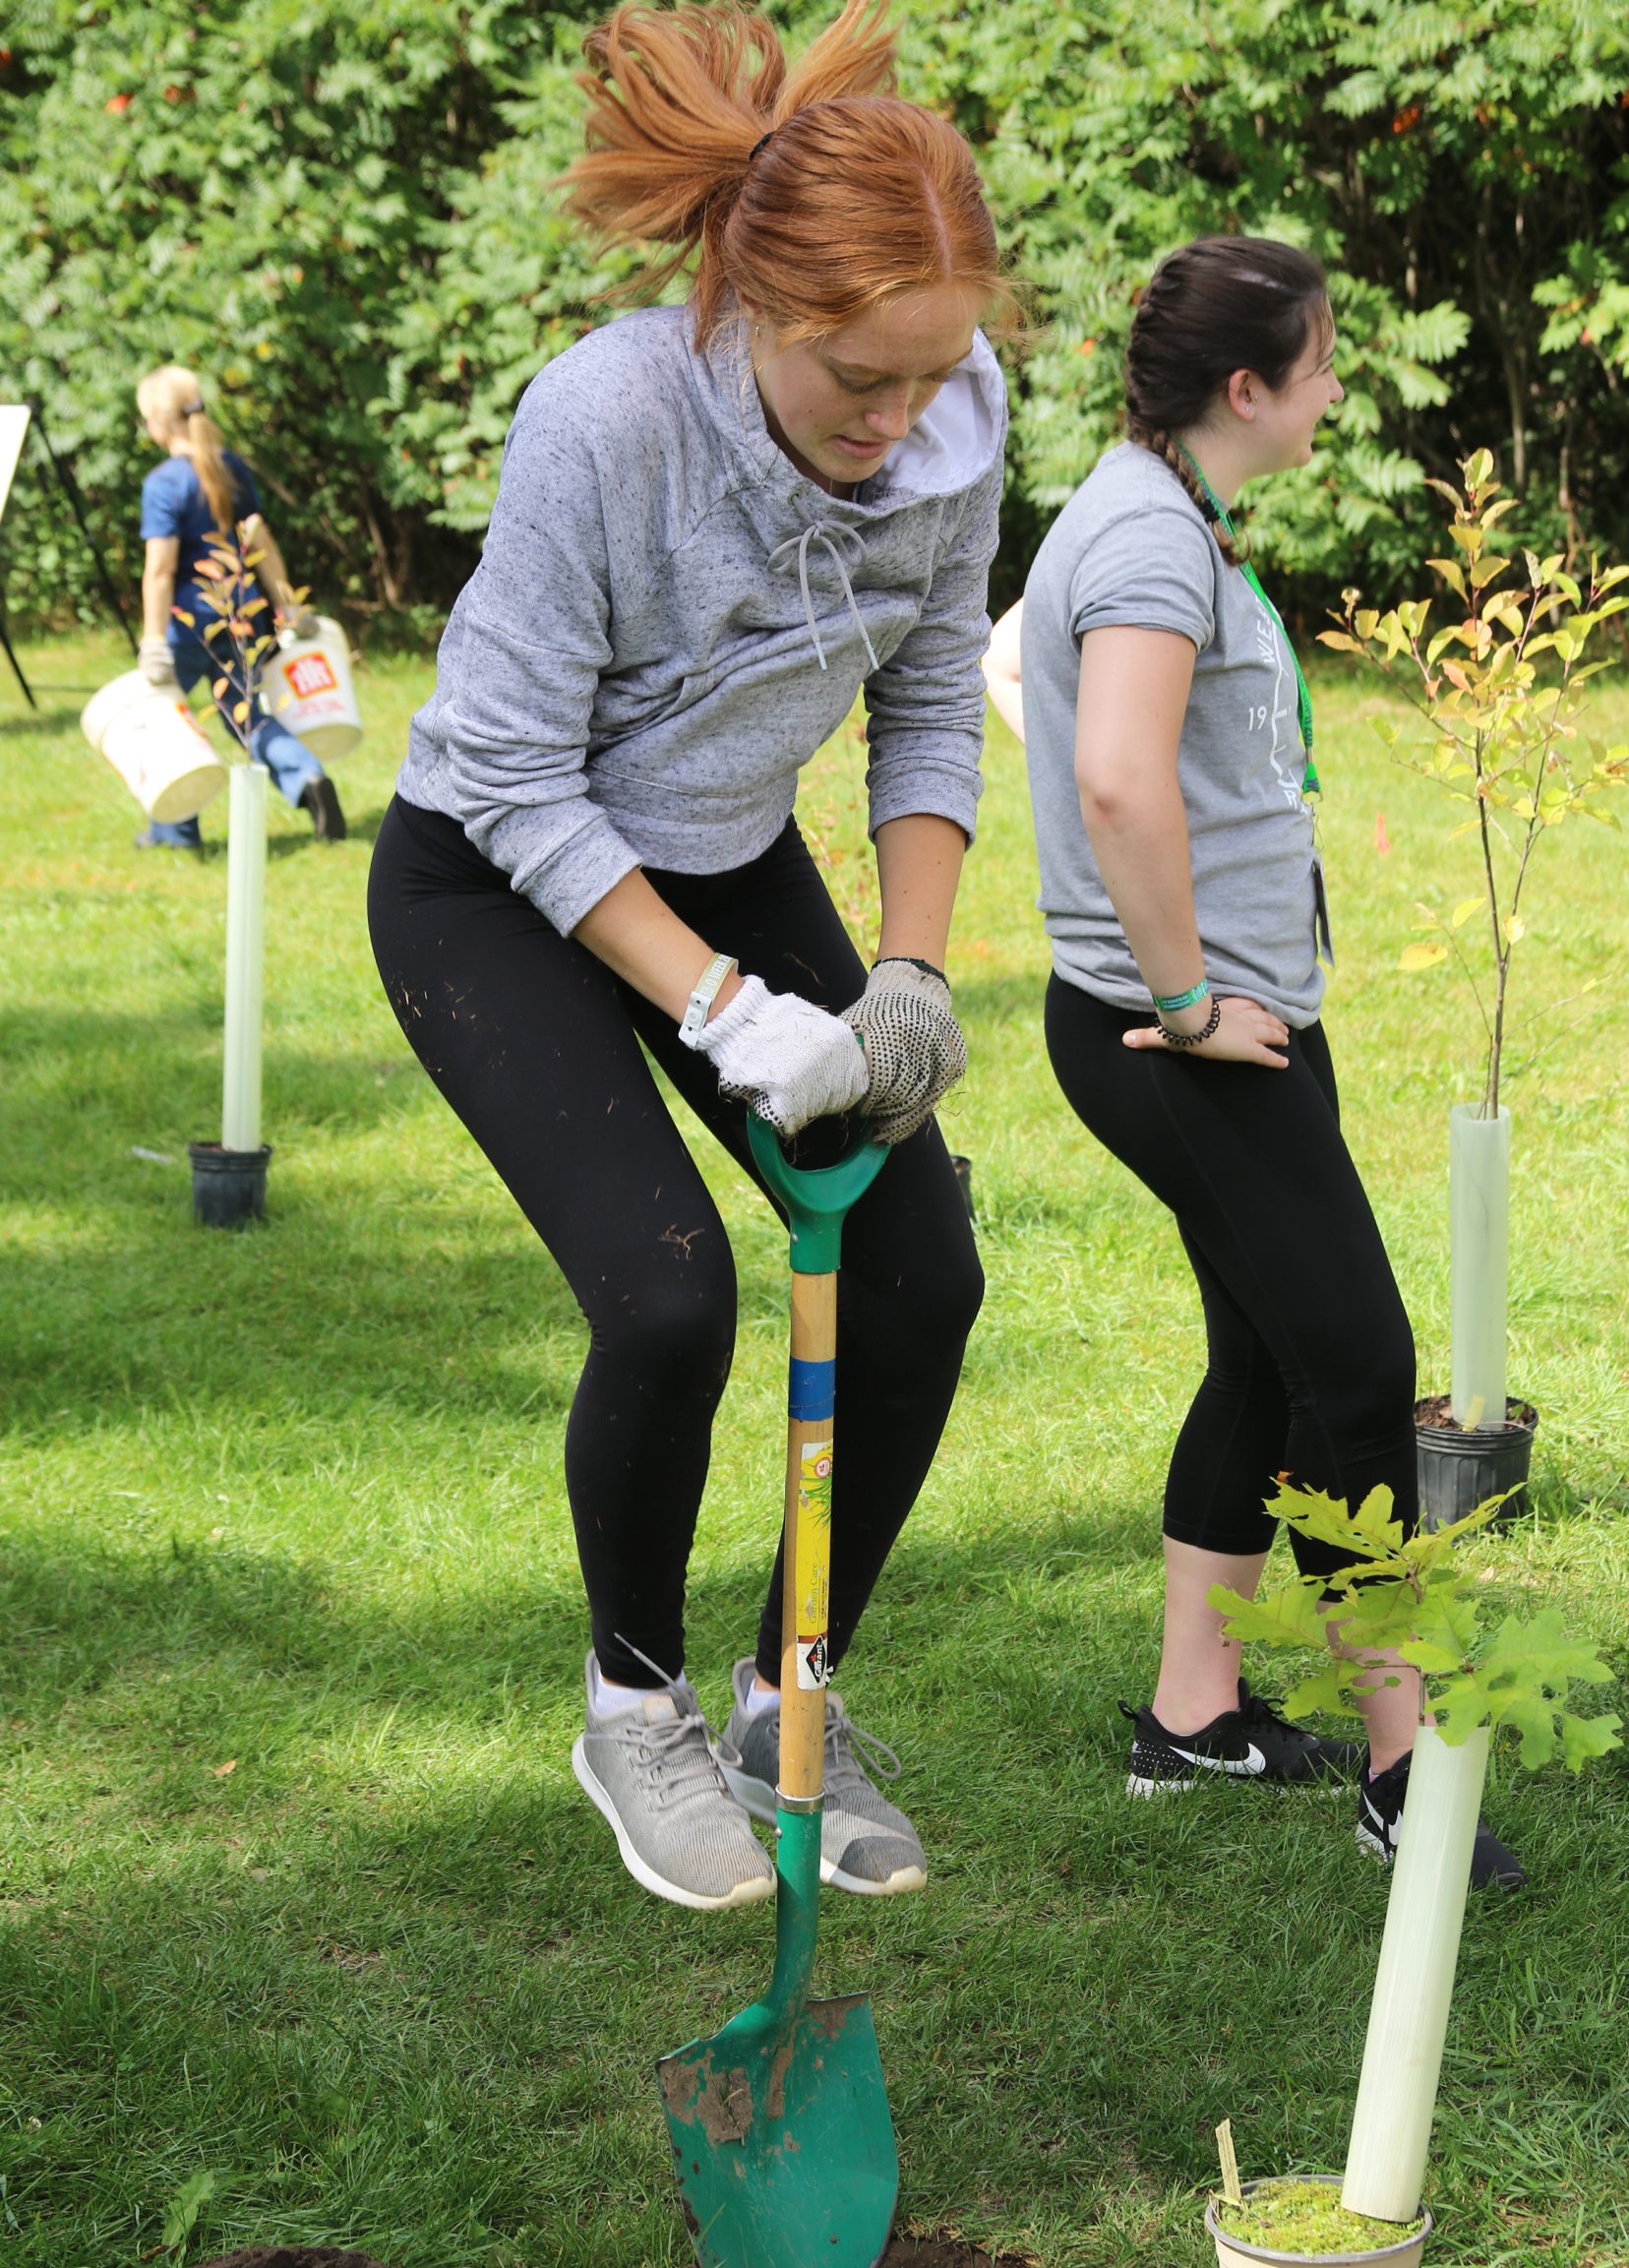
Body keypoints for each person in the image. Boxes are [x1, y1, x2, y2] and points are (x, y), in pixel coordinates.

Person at [368, 0, 1013, 1911]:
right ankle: (630, 1701)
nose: (895, 424)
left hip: (727, 857)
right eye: (855, 381)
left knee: (917, 1273)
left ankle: (783, 1697)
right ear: (748, 300)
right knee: (666, 1299)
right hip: (492, 874)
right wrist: (729, 1014)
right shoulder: (607, 419)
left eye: (930, 375)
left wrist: (901, 976)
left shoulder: (949, 426)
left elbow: (924, 704)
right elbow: (504, 770)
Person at [1013, 235, 1524, 1887]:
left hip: (1202, 1028)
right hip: (1186, 1041)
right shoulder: (1151, 545)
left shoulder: (1141, 506)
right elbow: (1112, 778)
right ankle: (1404, 1774)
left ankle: (1192, 1716)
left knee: (1264, 1355)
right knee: (1358, 1375)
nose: (1331, 392)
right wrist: (1181, 1000)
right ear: (1248, 389)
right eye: (1317, 367)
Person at [135, 365, 344, 848]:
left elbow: (161, 571)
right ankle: (306, 778)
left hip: (191, 622)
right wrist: (286, 605)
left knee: (166, 712)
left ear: (159, 422)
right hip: (241, 614)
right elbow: (259, 541)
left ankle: (175, 829)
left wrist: (151, 641)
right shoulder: (230, 466)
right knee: (242, 709)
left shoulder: (165, 483)